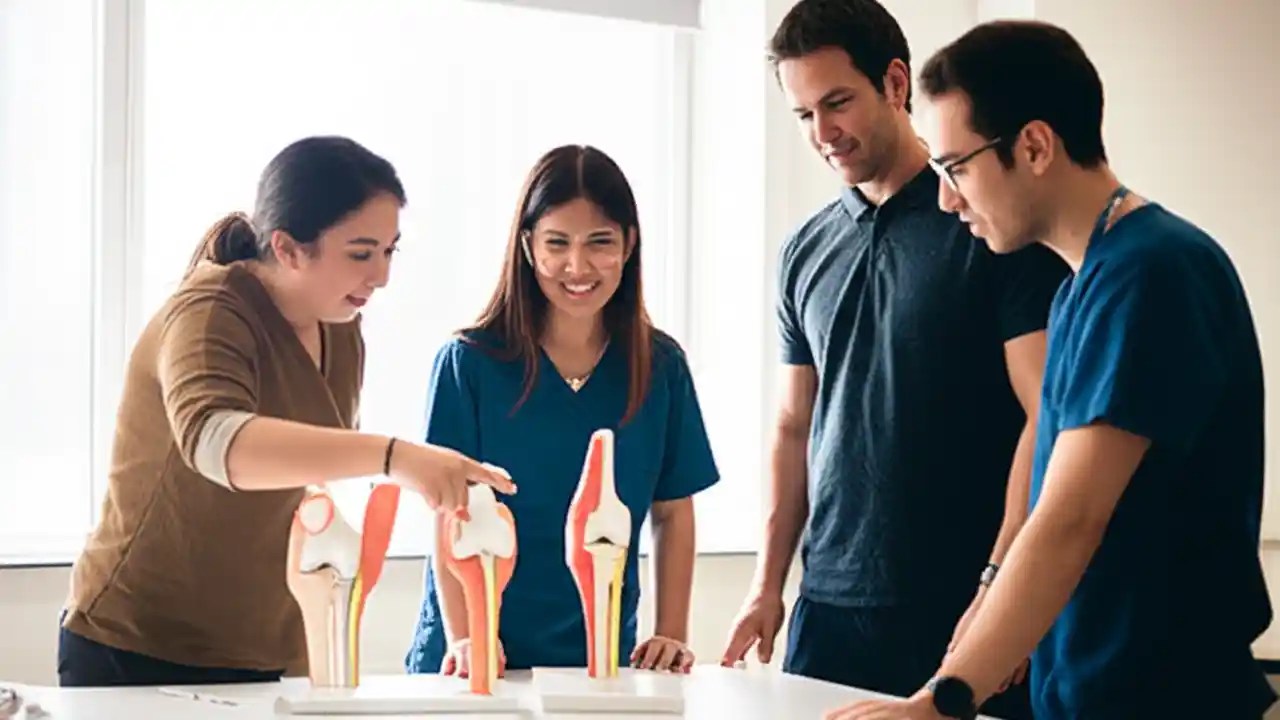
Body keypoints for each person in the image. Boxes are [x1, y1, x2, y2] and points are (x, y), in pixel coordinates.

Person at [827, 19, 1276, 720]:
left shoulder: (1151, 273)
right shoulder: (1080, 285)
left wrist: (940, 703)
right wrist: (991, 612)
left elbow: (1071, 518)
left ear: (1034, 146)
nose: (947, 200)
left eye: (956, 168)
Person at [57, 135, 515, 688]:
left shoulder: (342, 328)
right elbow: (219, 445)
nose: (382, 276)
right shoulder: (208, 312)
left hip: (269, 647)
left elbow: (310, 471)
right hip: (139, 643)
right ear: (289, 247)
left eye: (390, 251)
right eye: (360, 253)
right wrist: (395, 458)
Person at [719, 2, 1069, 718]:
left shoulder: (989, 224)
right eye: (804, 114)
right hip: (828, 611)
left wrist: (999, 592)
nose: (824, 134)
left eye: (838, 102)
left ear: (896, 82)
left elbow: (1047, 417)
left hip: (958, 610)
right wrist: (766, 587)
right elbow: (793, 426)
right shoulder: (804, 251)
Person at [404, 145, 719, 677]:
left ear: (630, 245)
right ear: (528, 247)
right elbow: (446, 514)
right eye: (557, 244)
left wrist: (671, 632)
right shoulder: (469, 363)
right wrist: (464, 639)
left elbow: (673, 510)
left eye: (600, 243)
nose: (578, 267)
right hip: (478, 660)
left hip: (599, 661)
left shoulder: (659, 365)